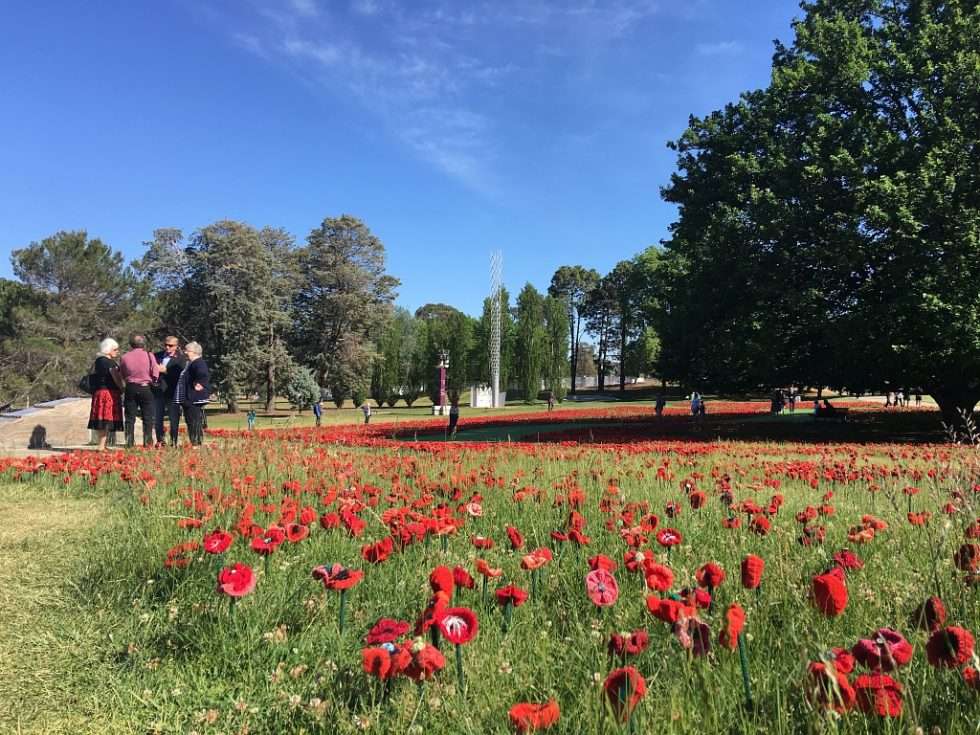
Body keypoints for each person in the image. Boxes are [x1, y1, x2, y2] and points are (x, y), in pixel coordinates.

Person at [118, 334, 159, 448]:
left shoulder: (125, 357)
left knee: (130, 417)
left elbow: (122, 374)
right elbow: (155, 372)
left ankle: (129, 442)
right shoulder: (149, 355)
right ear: (143, 343)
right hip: (145, 387)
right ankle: (148, 442)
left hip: (131, 387)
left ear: (131, 344)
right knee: (148, 417)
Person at [87, 338, 124, 451]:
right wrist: (122, 387)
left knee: (102, 419)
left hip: (100, 392)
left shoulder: (99, 361)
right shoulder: (108, 362)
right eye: (115, 349)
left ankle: (102, 445)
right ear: (108, 350)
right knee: (106, 419)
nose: (117, 351)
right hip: (107, 393)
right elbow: (115, 376)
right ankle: (101, 446)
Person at [174, 341, 210, 446]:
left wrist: (200, 383)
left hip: (193, 398)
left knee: (193, 421)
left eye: (187, 351)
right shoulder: (191, 363)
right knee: (192, 421)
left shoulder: (198, 362)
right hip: (190, 398)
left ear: (194, 352)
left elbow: (203, 374)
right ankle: (195, 442)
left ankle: (196, 443)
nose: (185, 352)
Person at [153, 336, 186, 446]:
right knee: (158, 418)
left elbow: (180, 374)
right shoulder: (157, 355)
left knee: (174, 419)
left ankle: (173, 442)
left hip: (172, 392)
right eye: (165, 345)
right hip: (158, 391)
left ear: (176, 346)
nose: (167, 347)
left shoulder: (181, 358)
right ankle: (160, 441)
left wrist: (165, 370)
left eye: (170, 345)